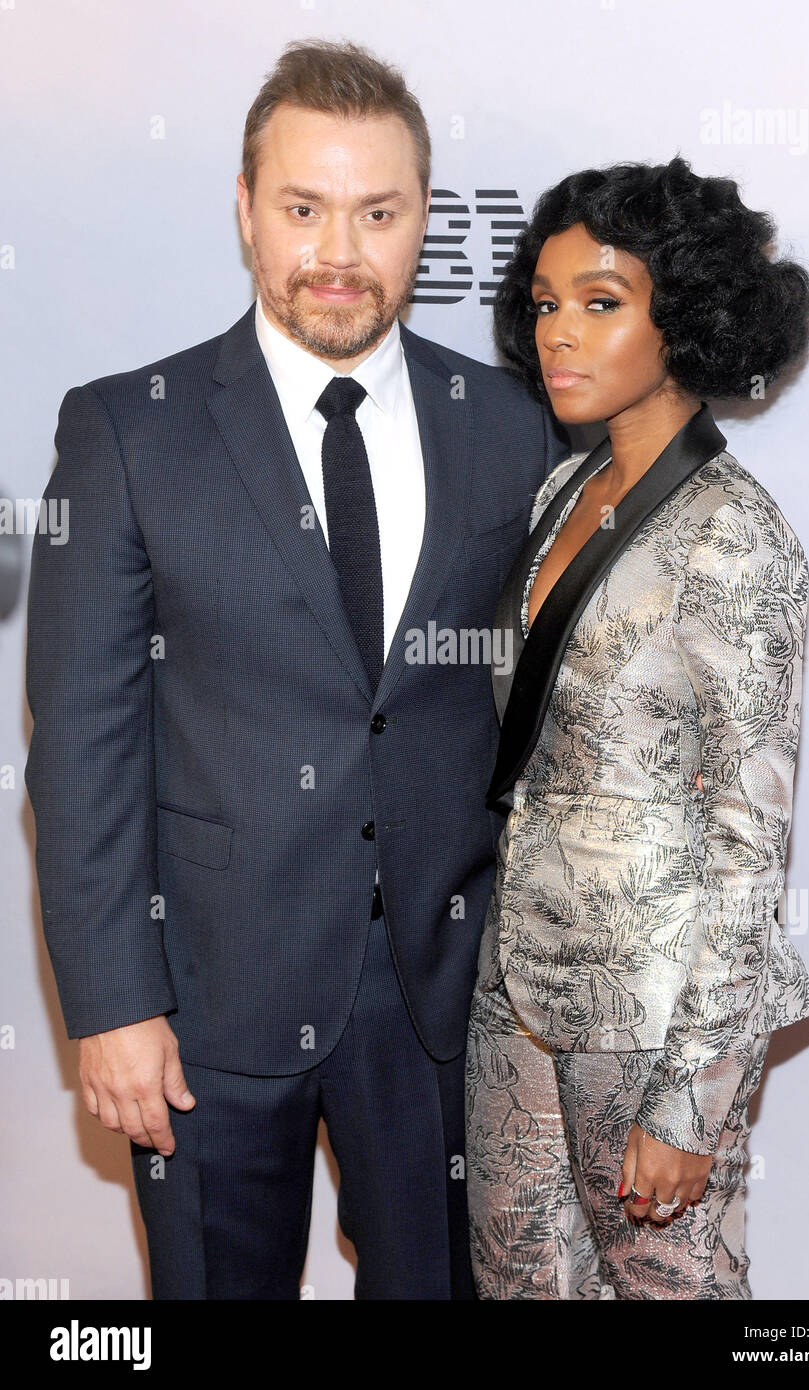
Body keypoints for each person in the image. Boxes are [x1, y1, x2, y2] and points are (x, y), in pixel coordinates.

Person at [23, 39, 569, 1300]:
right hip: (206, 1000)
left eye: (376, 212)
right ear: (244, 208)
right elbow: (84, 748)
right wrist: (111, 1004)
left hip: (437, 1011)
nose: (338, 250)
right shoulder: (128, 430)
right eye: (303, 207)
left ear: (423, 217)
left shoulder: (506, 425)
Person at [465, 155, 809, 1299]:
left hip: (655, 1014)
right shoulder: (557, 495)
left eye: (600, 303)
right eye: (544, 303)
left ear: (684, 317)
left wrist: (692, 1098)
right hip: (514, 988)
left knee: (670, 1289)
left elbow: (746, 841)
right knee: (518, 1282)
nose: (557, 334)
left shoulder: (735, 540)